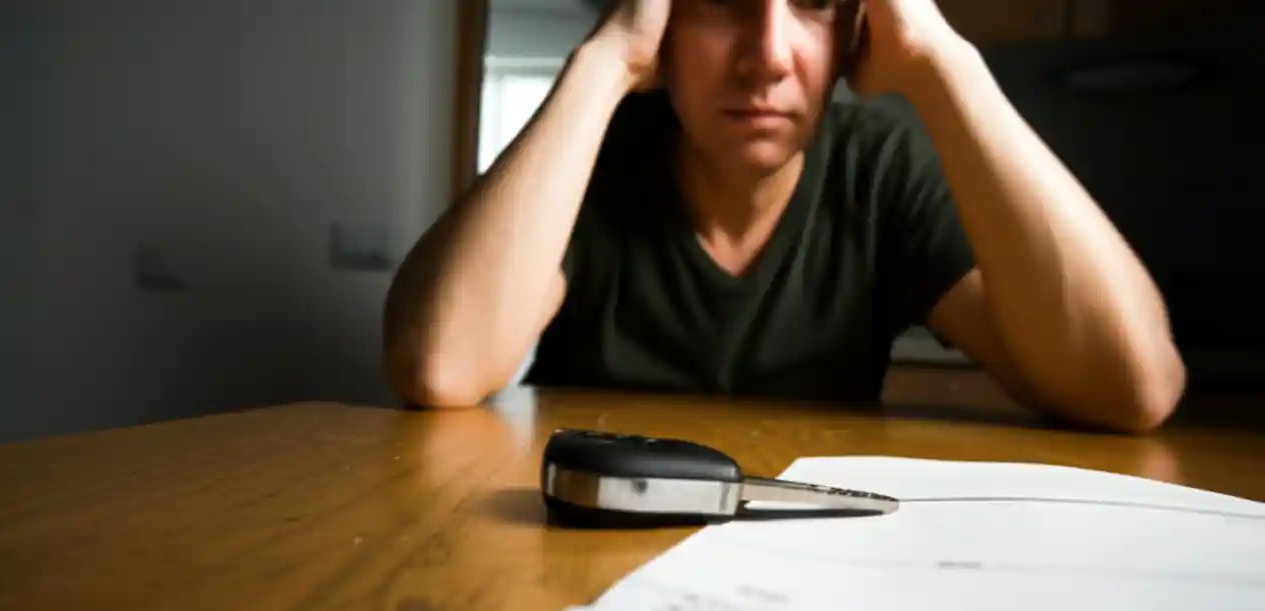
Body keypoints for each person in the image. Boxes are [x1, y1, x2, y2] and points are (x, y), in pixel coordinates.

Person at [382, 0, 1187, 433]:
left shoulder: (880, 169)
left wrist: (945, 62)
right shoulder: (595, 158)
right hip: (581, 550)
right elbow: (439, 364)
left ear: (855, 33)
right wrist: (604, 60)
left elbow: (1131, 389)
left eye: (813, 2)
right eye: (725, 0)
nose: (768, 54)